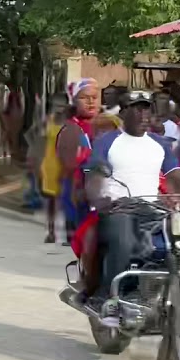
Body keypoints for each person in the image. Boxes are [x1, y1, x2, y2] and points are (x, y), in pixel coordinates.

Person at [80, 93, 180, 313]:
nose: (144, 115)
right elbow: (93, 177)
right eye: (137, 109)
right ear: (123, 112)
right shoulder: (107, 142)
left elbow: (175, 177)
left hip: (154, 210)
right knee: (126, 243)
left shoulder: (160, 144)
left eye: (147, 109)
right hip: (118, 208)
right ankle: (106, 296)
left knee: (176, 247)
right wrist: (100, 199)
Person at [55, 79, 100, 246]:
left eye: (94, 97)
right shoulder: (70, 128)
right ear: (74, 101)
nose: (91, 102)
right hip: (77, 181)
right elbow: (67, 161)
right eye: (84, 98)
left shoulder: (109, 124)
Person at [36, 94, 69, 243]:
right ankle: (50, 231)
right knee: (50, 201)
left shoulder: (70, 123)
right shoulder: (47, 120)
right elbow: (40, 143)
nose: (59, 107)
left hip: (65, 164)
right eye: (57, 104)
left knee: (66, 200)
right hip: (49, 165)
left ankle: (70, 233)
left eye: (62, 104)